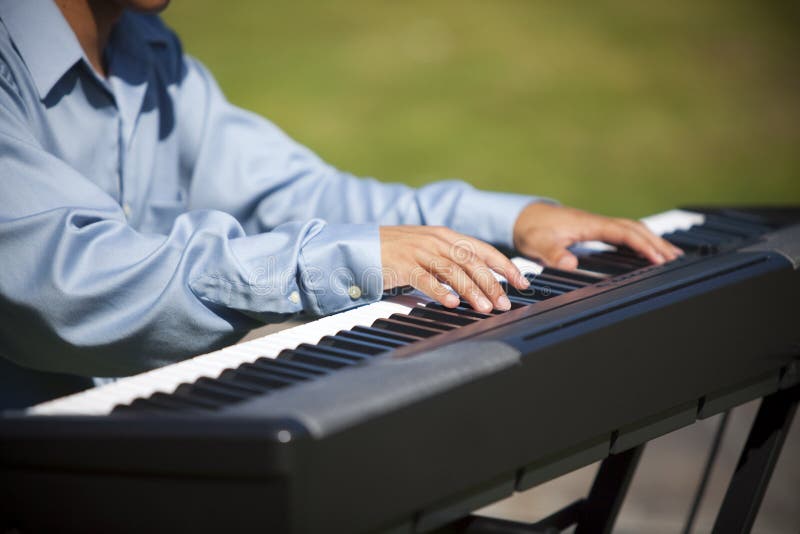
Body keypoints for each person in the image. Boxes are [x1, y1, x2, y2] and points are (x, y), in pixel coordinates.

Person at [0, 0, 679, 408]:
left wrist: (511, 221)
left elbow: (300, 195)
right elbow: (71, 280)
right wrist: (342, 259)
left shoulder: (149, 53)